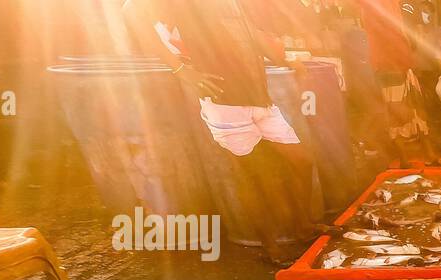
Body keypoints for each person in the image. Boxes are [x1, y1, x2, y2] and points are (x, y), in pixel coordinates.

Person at [123, 0, 316, 263]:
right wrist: (182, 71)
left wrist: (284, 60)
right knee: (257, 178)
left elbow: (250, 32)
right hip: (225, 101)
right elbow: (132, 12)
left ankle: (303, 227)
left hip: (258, 95)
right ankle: (271, 247)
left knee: (302, 161)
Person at [356, 0, 441, 168]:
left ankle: (430, 155)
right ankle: (404, 160)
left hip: (404, 62)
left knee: (419, 110)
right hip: (388, 64)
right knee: (396, 114)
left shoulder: (398, 4)